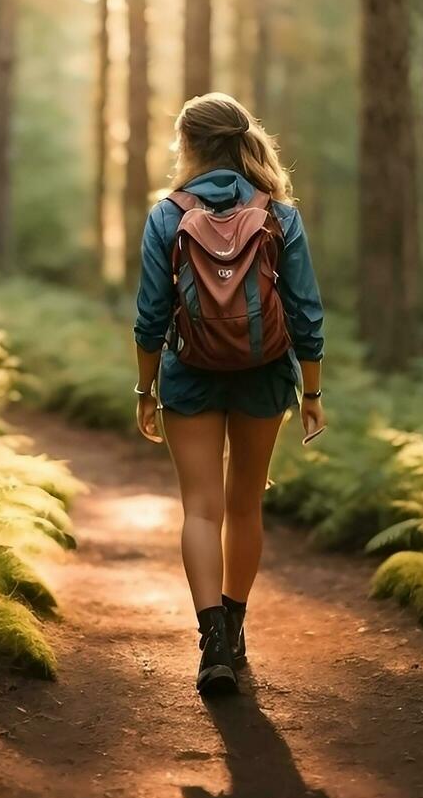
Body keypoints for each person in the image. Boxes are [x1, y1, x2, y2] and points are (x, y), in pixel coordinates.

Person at [132, 92, 326, 697]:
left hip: (188, 374)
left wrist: (145, 387)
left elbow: (149, 317)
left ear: (187, 145)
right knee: (244, 506)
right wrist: (312, 391)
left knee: (200, 508)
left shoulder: (168, 214)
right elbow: (304, 314)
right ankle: (236, 627)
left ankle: (212, 641)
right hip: (264, 374)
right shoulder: (279, 215)